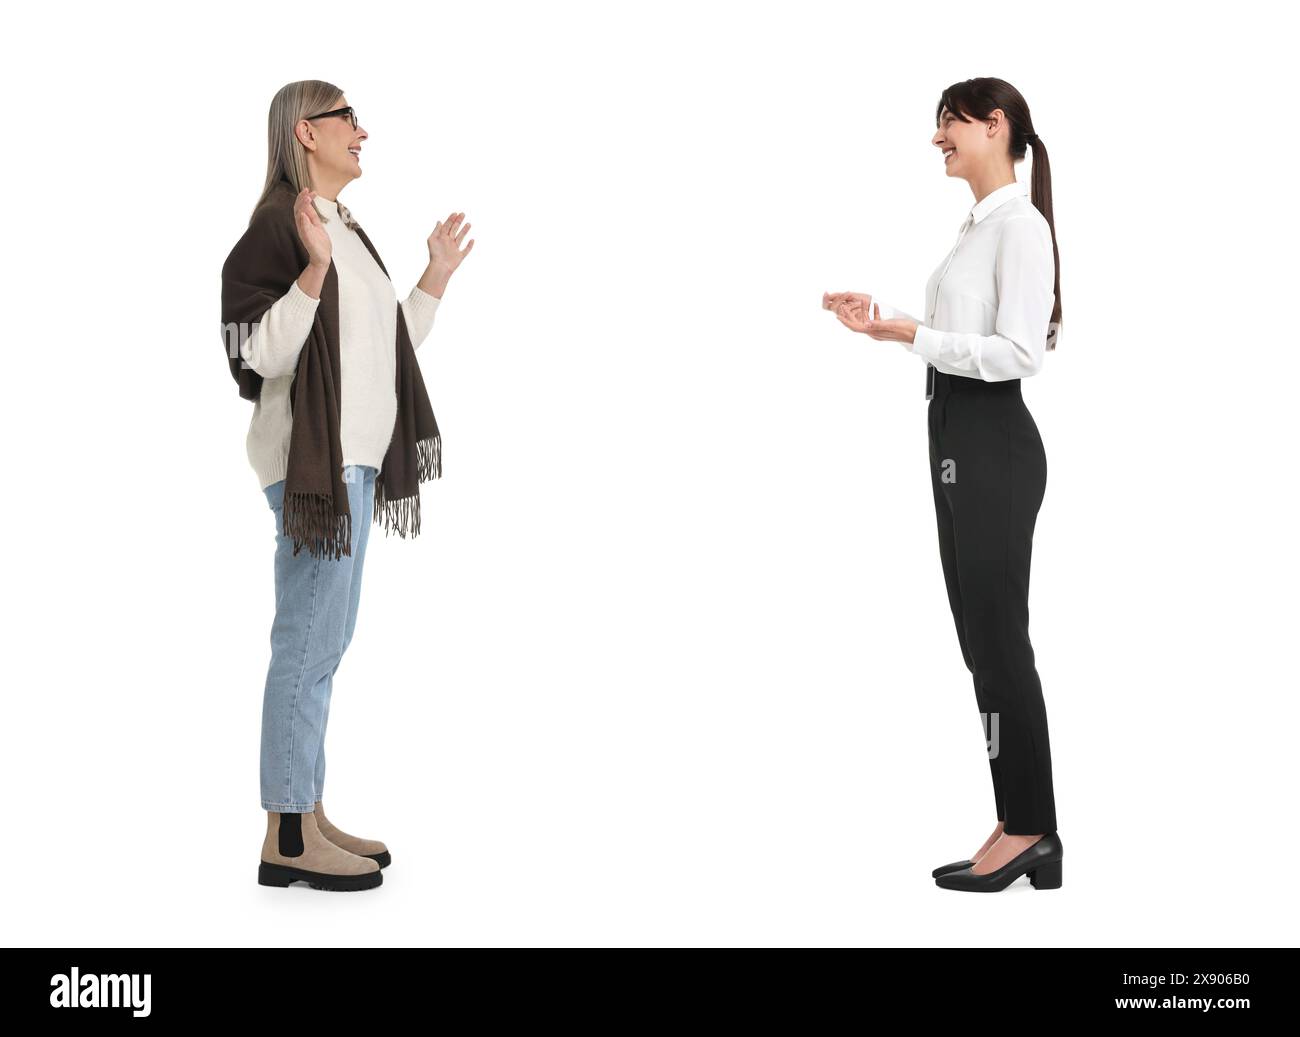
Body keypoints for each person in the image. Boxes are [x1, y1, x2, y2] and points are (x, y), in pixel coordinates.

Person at [219, 80, 474, 892]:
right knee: (304, 641)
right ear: (306, 132)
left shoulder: (345, 228)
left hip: (355, 461)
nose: (363, 132)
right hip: (313, 471)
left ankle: (307, 809)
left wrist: (432, 278)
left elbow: (385, 350)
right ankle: (286, 835)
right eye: (348, 120)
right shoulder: (280, 227)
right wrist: (312, 274)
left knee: (325, 643)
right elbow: (259, 354)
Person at [823, 77, 1065, 892]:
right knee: (979, 644)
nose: (937, 140)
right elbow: (960, 337)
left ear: (994, 126)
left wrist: (910, 330)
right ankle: (1017, 812)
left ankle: (1033, 828)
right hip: (956, 432)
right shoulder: (978, 228)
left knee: (999, 643)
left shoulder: (1020, 228)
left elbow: (1021, 353)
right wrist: (888, 324)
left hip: (992, 440)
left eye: (949, 123)